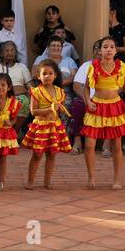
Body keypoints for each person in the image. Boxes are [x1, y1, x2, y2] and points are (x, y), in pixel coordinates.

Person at [74, 37, 125, 189]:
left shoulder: (122, 67)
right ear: (99, 51)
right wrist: (88, 101)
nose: (108, 49)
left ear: (115, 51)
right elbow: (87, 88)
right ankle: (91, 178)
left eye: (112, 47)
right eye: (105, 47)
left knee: (116, 146)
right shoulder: (93, 67)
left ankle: (117, 179)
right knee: (89, 145)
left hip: (115, 107)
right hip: (97, 106)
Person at [22, 60, 70, 190]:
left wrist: (59, 108)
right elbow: (33, 111)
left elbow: (60, 109)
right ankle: (30, 180)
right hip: (41, 126)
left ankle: (47, 181)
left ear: (55, 76)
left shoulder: (60, 91)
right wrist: (50, 109)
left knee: (51, 154)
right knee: (37, 154)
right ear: (39, 76)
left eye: (50, 73)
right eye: (44, 74)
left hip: (54, 126)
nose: (47, 76)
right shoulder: (36, 92)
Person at [0, 40, 32, 135]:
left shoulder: (22, 67)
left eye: (12, 50)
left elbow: (29, 84)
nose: (10, 53)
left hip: (19, 97)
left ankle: (14, 133)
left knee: (25, 101)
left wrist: (31, 91)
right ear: (0, 53)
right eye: (6, 50)